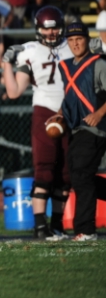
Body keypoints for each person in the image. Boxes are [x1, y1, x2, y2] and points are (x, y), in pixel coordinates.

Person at [0, 6, 73, 240]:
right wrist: (5, 64)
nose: (51, 34)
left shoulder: (72, 46)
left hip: (71, 113)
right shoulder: (29, 51)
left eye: (55, 29)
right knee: (44, 168)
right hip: (44, 111)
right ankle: (41, 225)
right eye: (46, 29)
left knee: (66, 172)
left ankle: (58, 224)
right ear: (38, 29)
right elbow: (14, 92)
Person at [54, 22, 106, 242]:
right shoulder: (65, 67)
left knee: (82, 175)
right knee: (77, 176)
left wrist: (100, 114)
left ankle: (86, 230)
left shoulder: (99, 63)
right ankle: (85, 229)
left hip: (95, 129)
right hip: (76, 128)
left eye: (79, 39)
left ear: (87, 39)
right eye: (71, 40)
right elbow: (70, 97)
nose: (75, 43)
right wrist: (58, 115)